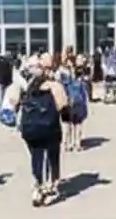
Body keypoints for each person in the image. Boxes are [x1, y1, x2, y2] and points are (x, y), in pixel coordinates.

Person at [5, 52, 69, 207]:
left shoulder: (24, 85)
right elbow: (63, 107)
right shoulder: (54, 85)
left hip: (30, 128)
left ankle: (38, 184)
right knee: (53, 156)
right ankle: (51, 185)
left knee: (36, 155)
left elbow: (12, 102)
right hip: (50, 127)